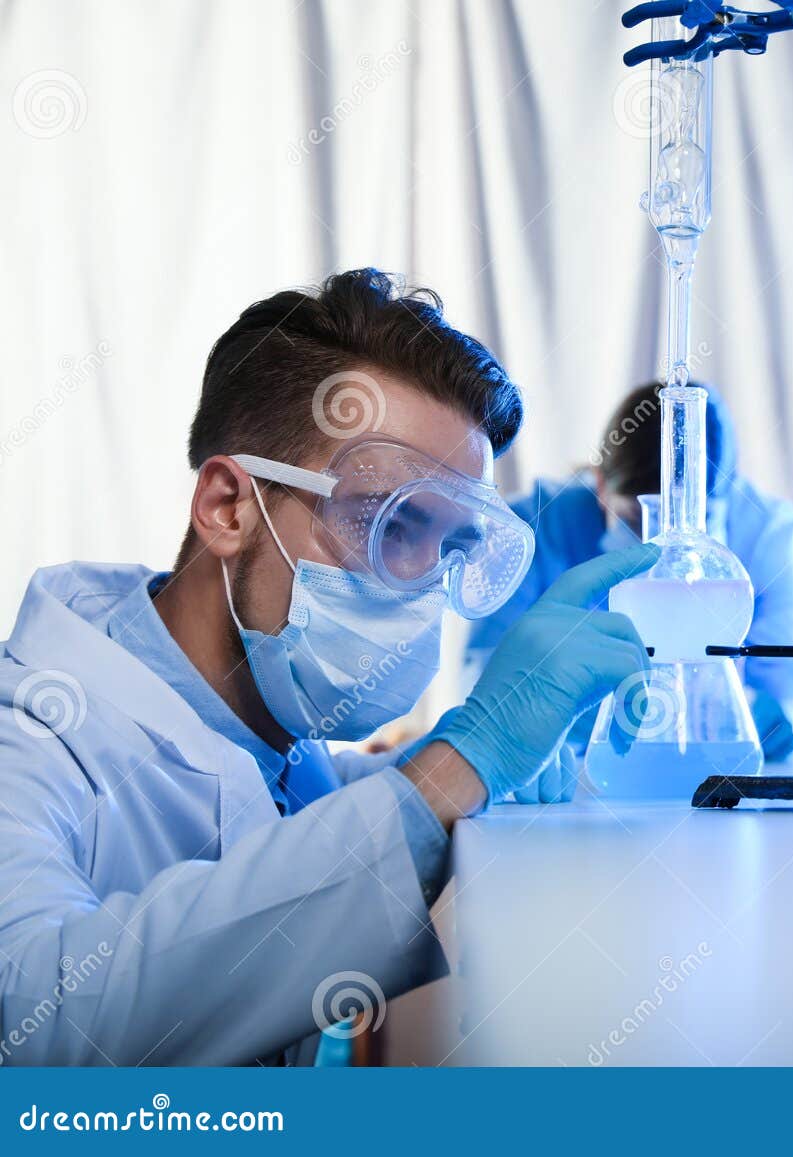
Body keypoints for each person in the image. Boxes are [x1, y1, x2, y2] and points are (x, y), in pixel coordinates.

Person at [0, 270, 659, 1065]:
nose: (419, 586)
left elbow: (279, 810)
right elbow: (32, 1022)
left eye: (450, 547)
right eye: (385, 522)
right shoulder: (31, 736)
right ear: (228, 507)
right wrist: (464, 759)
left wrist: (493, 763)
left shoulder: (265, 717)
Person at [466, 381, 793, 761]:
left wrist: (701, 706)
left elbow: (785, 716)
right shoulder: (536, 524)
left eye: (697, 521)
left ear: (727, 499)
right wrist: (584, 708)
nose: (666, 550)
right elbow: (486, 688)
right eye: (638, 520)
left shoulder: (767, 532)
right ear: (601, 485)